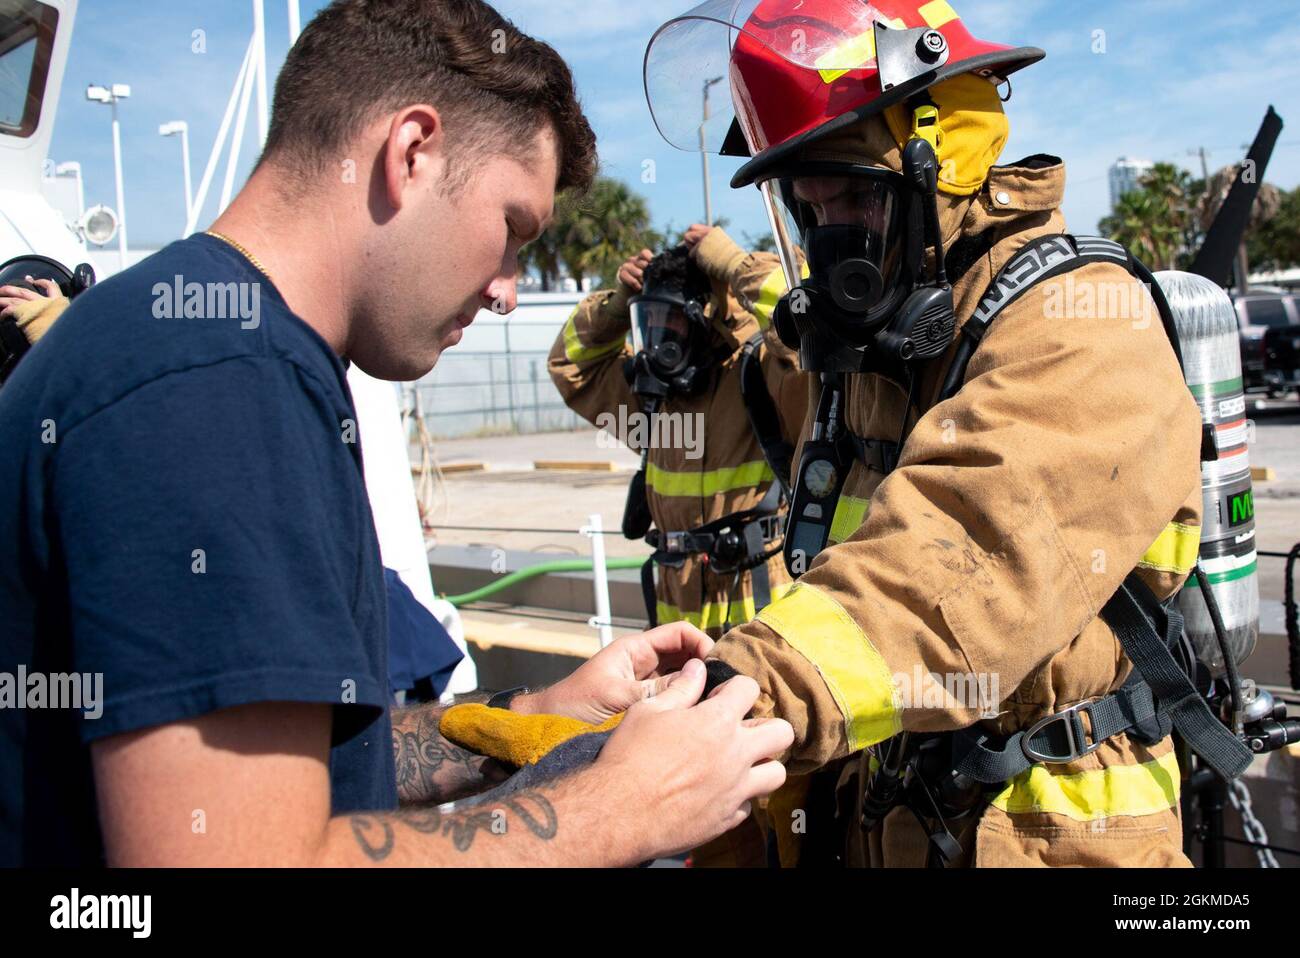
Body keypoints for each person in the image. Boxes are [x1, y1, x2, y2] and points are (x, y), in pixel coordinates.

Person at [0, 0, 791, 868]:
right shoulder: (216, 390)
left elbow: (324, 775)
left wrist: (530, 719)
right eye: (512, 230)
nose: (508, 291)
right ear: (412, 153)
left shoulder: (213, 346)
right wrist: (620, 808)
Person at [645, 0, 1211, 867]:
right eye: (810, 208)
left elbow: (945, 574)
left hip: (1052, 835)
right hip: (891, 809)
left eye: (855, 200)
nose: (835, 242)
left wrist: (729, 701)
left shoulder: (1083, 326)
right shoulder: (883, 351)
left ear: (937, 164)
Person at [550, 227, 807, 639]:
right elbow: (571, 367)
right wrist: (615, 307)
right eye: (647, 322)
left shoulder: (762, 372)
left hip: (761, 610)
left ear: (705, 318)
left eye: (671, 323)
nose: (658, 342)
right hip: (676, 613)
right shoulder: (652, 400)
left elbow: (811, 332)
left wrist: (737, 267)